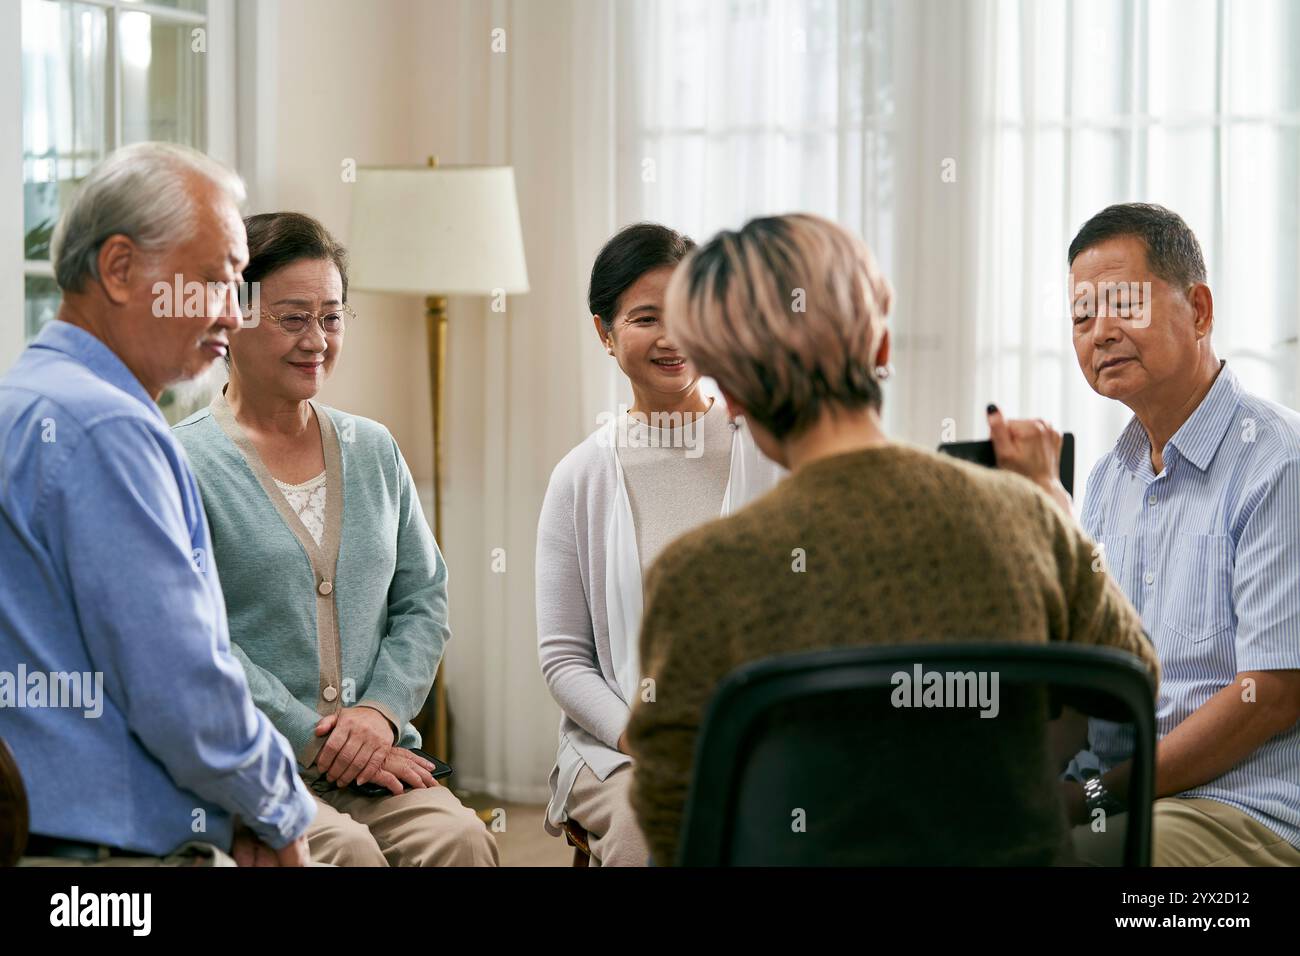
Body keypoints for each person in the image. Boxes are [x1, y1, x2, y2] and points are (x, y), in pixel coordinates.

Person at [624, 213, 1159, 866]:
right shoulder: (1029, 520)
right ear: (881, 350)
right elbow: (1135, 677)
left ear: (730, 396)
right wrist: (1054, 506)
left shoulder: (699, 574)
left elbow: (676, 813)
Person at [0, 142, 315, 866]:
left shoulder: (26, 398)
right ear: (118, 269)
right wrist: (281, 810)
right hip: (104, 858)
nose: (234, 315)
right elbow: (182, 689)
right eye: (216, 281)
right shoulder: (108, 428)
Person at [173, 212, 497, 867]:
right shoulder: (182, 463)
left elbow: (423, 598)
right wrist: (310, 736)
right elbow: (194, 638)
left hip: (377, 754)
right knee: (343, 853)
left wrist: (378, 713)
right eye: (293, 318)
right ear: (233, 318)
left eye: (332, 316)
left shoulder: (372, 448)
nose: (316, 339)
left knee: (460, 837)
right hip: (255, 762)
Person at [1056, 202, 1300, 866]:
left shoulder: (1278, 460)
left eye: (1122, 304)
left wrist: (1099, 796)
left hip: (1236, 809)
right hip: (1120, 796)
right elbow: (1087, 684)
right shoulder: (1111, 479)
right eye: (1082, 315)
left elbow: (1270, 697)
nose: (1099, 331)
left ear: (1198, 309)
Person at [535, 223, 784, 866]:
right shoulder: (579, 477)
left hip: (756, 732)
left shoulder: (770, 450)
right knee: (654, 824)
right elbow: (565, 660)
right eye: (647, 318)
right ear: (605, 332)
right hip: (621, 746)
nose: (672, 338)